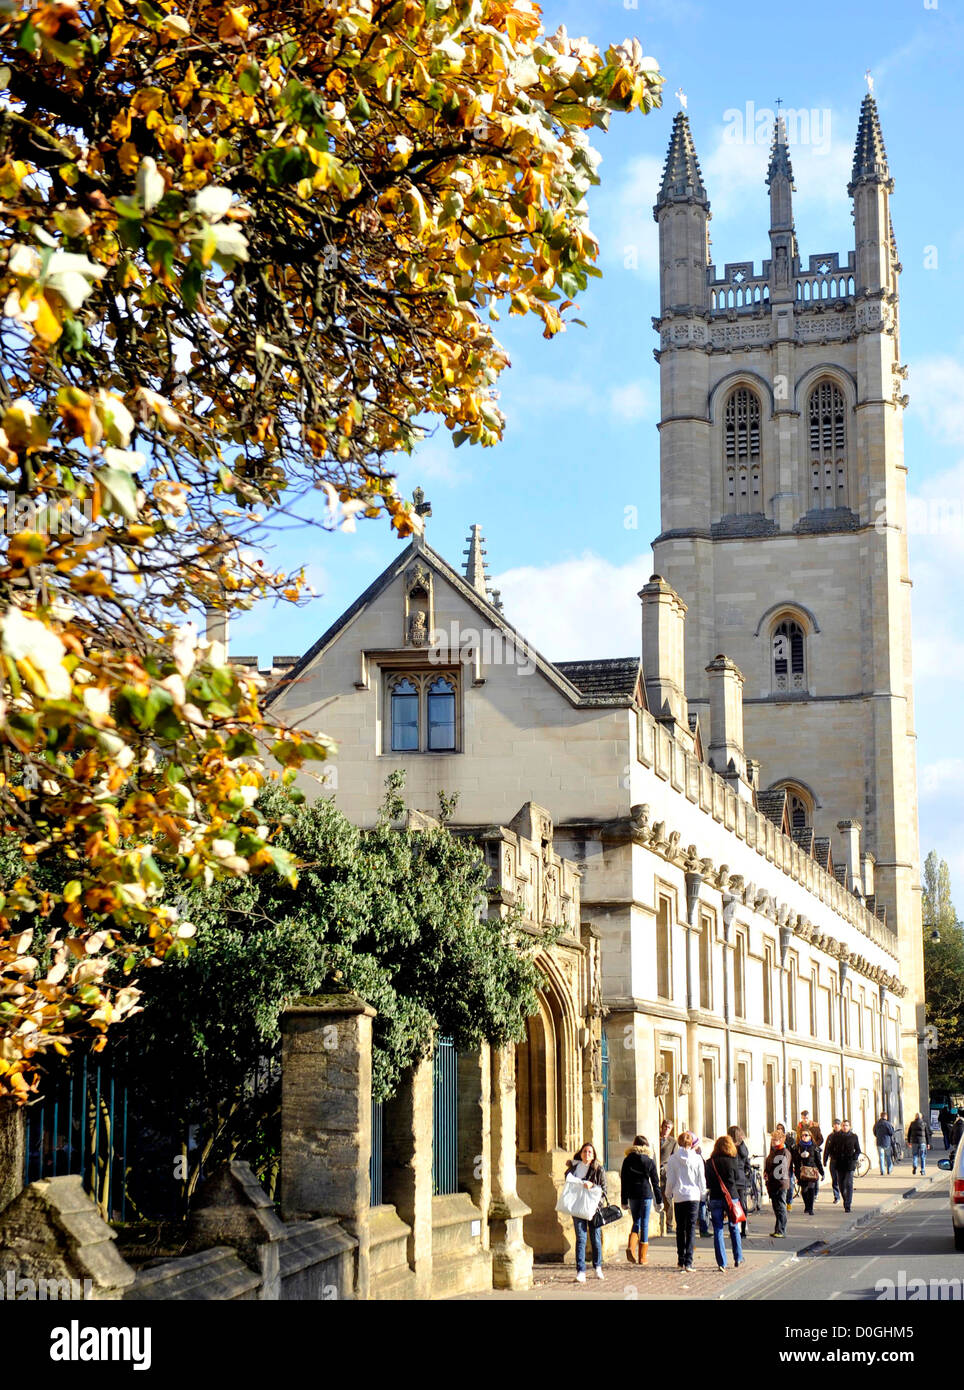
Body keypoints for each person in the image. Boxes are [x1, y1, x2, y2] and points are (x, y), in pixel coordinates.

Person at [665, 1130, 707, 1273]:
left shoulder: (673, 1159)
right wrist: (703, 1193)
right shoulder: (697, 1159)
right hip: (693, 1196)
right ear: (691, 1143)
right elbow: (701, 1179)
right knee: (690, 1230)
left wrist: (668, 1193)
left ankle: (680, 1259)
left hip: (679, 1195)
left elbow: (670, 1180)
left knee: (680, 1229)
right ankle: (689, 1262)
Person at [565, 1142, 606, 1283]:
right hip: (578, 1207)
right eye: (584, 1151)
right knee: (581, 1239)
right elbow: (568, 1184)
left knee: (595, 1238)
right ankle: (581, 1270)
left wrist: (592, 1185)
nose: (587, 1154)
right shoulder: (575, 1168)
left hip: (593, 1208)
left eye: (590, 1152)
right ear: (580, 1153)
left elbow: (603, 1190)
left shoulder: (598, 1169)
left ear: (593, 1155)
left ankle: (597, 1266)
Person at [704, 1134, 745, 1272]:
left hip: (715, 1196)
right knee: (734, 1227)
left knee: (718, 1230)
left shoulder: (710, 1162)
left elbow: (708, 1182)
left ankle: (722, 1262)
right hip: (731, 1197)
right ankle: (738, 1257)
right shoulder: (733, 1161)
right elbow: (737, 1178)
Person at [620, 1134, 662, 1264]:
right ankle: (642, 1257)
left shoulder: (627, 1160)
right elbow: (655, 1182)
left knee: (636, 1221)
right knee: (644, 1222)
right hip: (645, 1193)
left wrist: (624, 1200)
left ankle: (631, 1247)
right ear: (645, 1146)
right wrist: (659, 1200)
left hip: (633, 1194)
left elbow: (624, 1181)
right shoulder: (649, 1161)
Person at [825, 1118, 861, 1212]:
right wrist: (834, 1156)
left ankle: (848, 1204)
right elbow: (830, 1148)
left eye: (846, 1125)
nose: (845, 1127)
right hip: (839, 1163)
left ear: (850, 1127)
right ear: (841, 1126)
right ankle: (845, 1199)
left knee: (849, 1183)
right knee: (841, 1184)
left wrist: (854, 1157)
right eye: (843, 1125)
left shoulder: (854, 1136)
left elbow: (858, 1150)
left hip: (849, 1163)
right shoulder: (836, 1136)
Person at [728, 1124, 753, 1238]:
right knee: (742, 1205)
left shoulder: (730, 1147)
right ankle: (743, 1228)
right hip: (741, 1179)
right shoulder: (743, 1147)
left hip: (732, 1179)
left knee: (732, 1205)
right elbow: (747, 1164)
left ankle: (734, 1227)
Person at [792, 1128, 825, 1214]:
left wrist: (822, 1172)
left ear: (810, 1136)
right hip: (802, 1171)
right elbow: (795, 1161)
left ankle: (810, 1208)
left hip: (812, 1170)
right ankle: (807, 1205)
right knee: (804, 1190)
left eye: (806, 1135)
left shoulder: (814, 1147)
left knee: (811, 1188)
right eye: (802, 1135)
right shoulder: (797, 1147)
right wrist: (800, 1157)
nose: (804, 1137)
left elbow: (818, 1160)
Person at [765, 1134, 792, 1237]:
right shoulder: (773, 1151)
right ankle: (778, 1229)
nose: (773, 1141)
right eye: (772, 1139)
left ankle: (781, 1230)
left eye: (775, 1140)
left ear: (781, 1140)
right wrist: (766, 1172)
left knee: (781, 1206)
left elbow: (781, 1169)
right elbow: (769, 1164)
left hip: (780, 1183)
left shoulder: (784, 1152)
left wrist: (769, 1175)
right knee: (776, 1207)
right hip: (773, 1183)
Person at [659, 1119, 678, 1234]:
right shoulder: (655, 1138)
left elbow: (674, 1158)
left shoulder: (673, 1142)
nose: (666, 1129)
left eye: (669, 1128)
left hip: (665, 1172)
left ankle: (669, 1224)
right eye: (665, 1126)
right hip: (654, 1171)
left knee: (667, 1198)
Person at [823, 1120, 843, 1203]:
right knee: (834, 1179)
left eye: (838, 1124)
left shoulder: (844, 1136)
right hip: (833, 1160)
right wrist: (825, 1159)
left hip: (842, 1161)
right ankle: (836, 1196)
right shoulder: (830, 1136)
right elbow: (827, 1148)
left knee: (842, 1179)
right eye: (835, 1124)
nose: (836, 1126)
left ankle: (845, 1195)